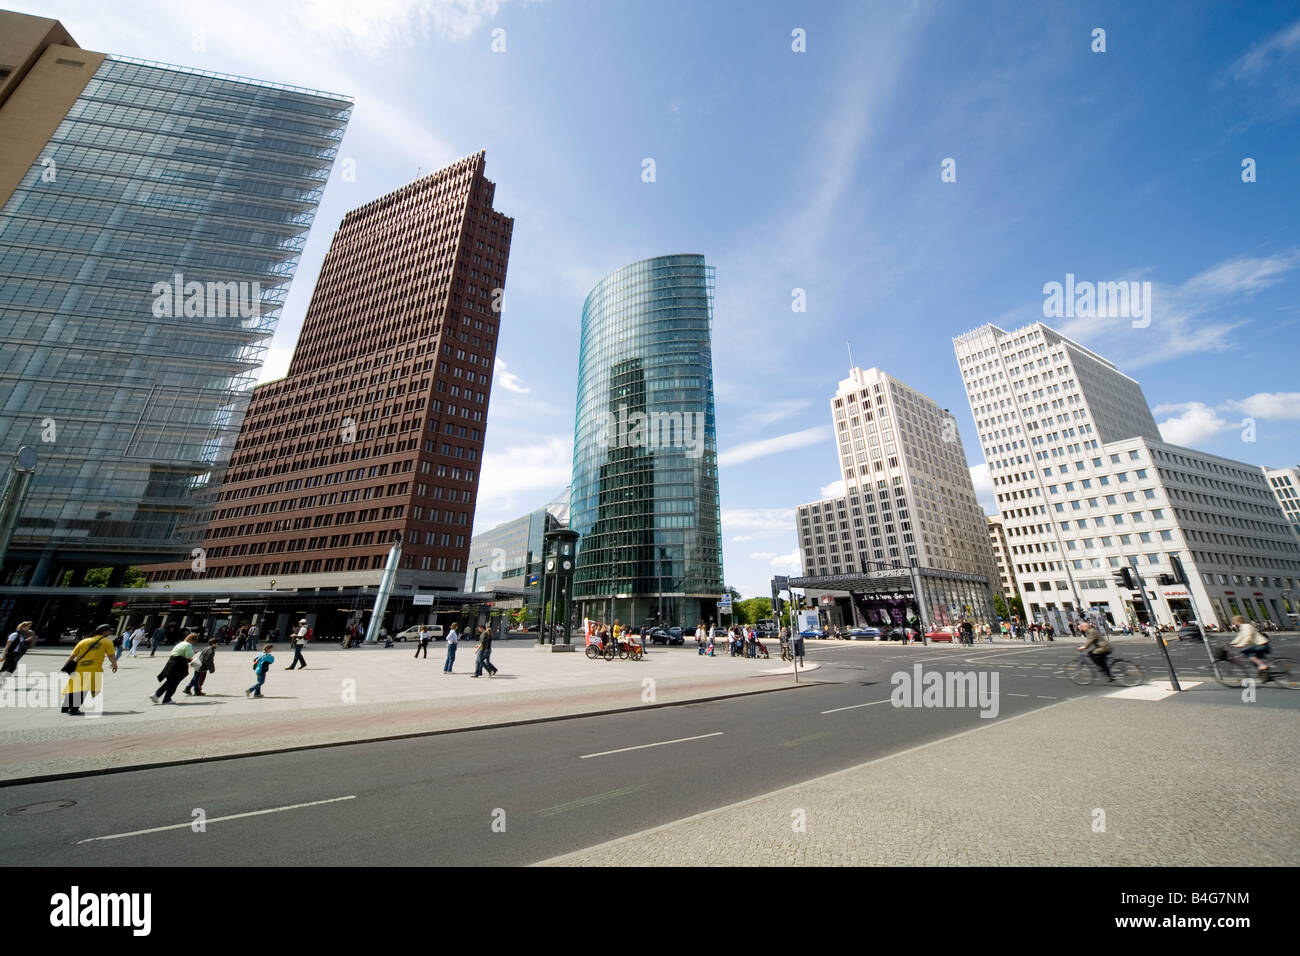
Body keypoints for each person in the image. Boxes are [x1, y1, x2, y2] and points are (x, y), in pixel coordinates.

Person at [61, 624, 118, 716]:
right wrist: (114, 664)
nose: (109, 632)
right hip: (93, 668)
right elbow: (111, 655)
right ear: (104, 631)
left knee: (73, 687)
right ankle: (74, 709)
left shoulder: (84, 641)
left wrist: (66, 665)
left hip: (79, 668)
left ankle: (65, 707)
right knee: (84, 689)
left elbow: (73, 656)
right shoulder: (107, 642)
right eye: (108, 631)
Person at [151, 631, 196, 703]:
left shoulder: (180, 643)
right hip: (178, 665)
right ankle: (160, 696)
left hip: (171, 663)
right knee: (173, 682)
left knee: (171, 682)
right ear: (193, 640)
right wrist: (194, 652)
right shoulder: (188, 645)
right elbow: (188, 656)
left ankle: (162, 697)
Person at [1, 621, 37, 687]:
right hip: (10, 653)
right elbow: (7, 646)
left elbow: (20, 644)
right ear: (22, 627)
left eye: (29, 627)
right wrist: (3, 655)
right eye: (27, 627)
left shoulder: (21, 636)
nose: (28, 628)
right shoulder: (14, 635)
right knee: (11, 667)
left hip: (16, 653)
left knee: (6, 667)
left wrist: (26, 640)